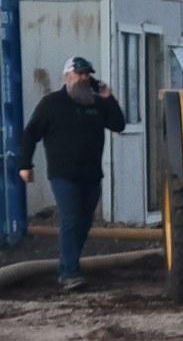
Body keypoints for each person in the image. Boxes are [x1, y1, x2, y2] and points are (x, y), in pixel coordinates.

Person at [17, 56, 126, 291]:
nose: (84, 78)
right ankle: (69, 273)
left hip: (91, 175)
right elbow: (30, 134)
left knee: (84, 223)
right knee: (70, 220)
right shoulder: (51, 104)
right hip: (63, 175)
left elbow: (119, 124)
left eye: (87, 74)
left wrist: (108, 97)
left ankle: (70, 264)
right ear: (67, 76)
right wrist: (25, 165)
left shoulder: (96, 103)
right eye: (80, 74)